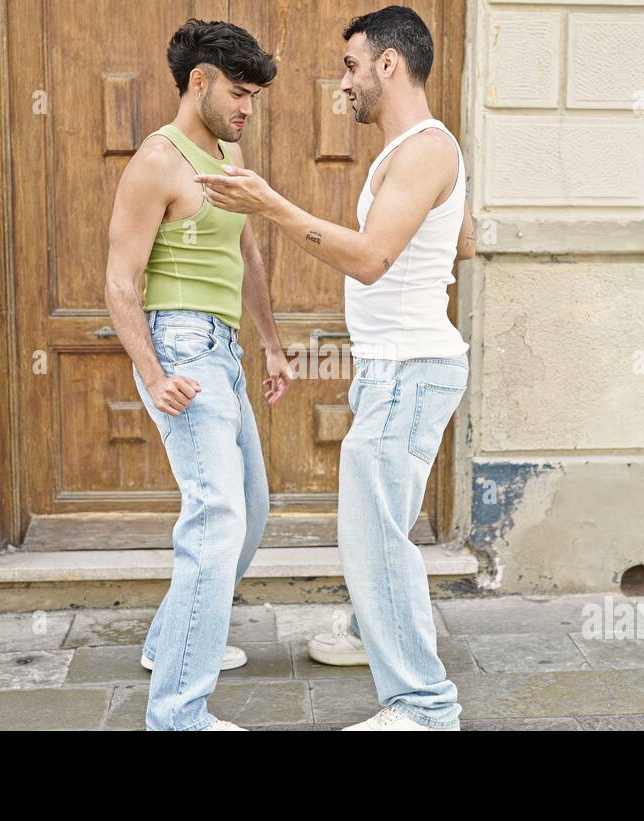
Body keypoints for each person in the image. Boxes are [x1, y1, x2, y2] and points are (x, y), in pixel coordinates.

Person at [195, 5, 474, 731]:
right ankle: (365, 631)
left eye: (352, 66)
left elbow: (372, 259)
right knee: (381, 525)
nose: (343, 83)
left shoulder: (422, 150)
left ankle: (422, 707)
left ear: (389, 64)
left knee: (374, 534)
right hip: (399, 366)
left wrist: (270, 204)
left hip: (408, 367)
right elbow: (463, 242)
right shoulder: (422, 150)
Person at [102, 18, 292, 731]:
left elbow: (247, 253)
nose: (247, 108)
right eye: (239, 93)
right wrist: (151, 374)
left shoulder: (230, 151)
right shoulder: (157, 160)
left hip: (227, 350)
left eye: (254, 97)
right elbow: (119, 282)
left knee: (252, 510)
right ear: (199, 81)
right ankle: (178, 715)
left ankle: (166, 643)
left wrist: (270, 343)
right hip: (180, 344)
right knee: (215, 520)